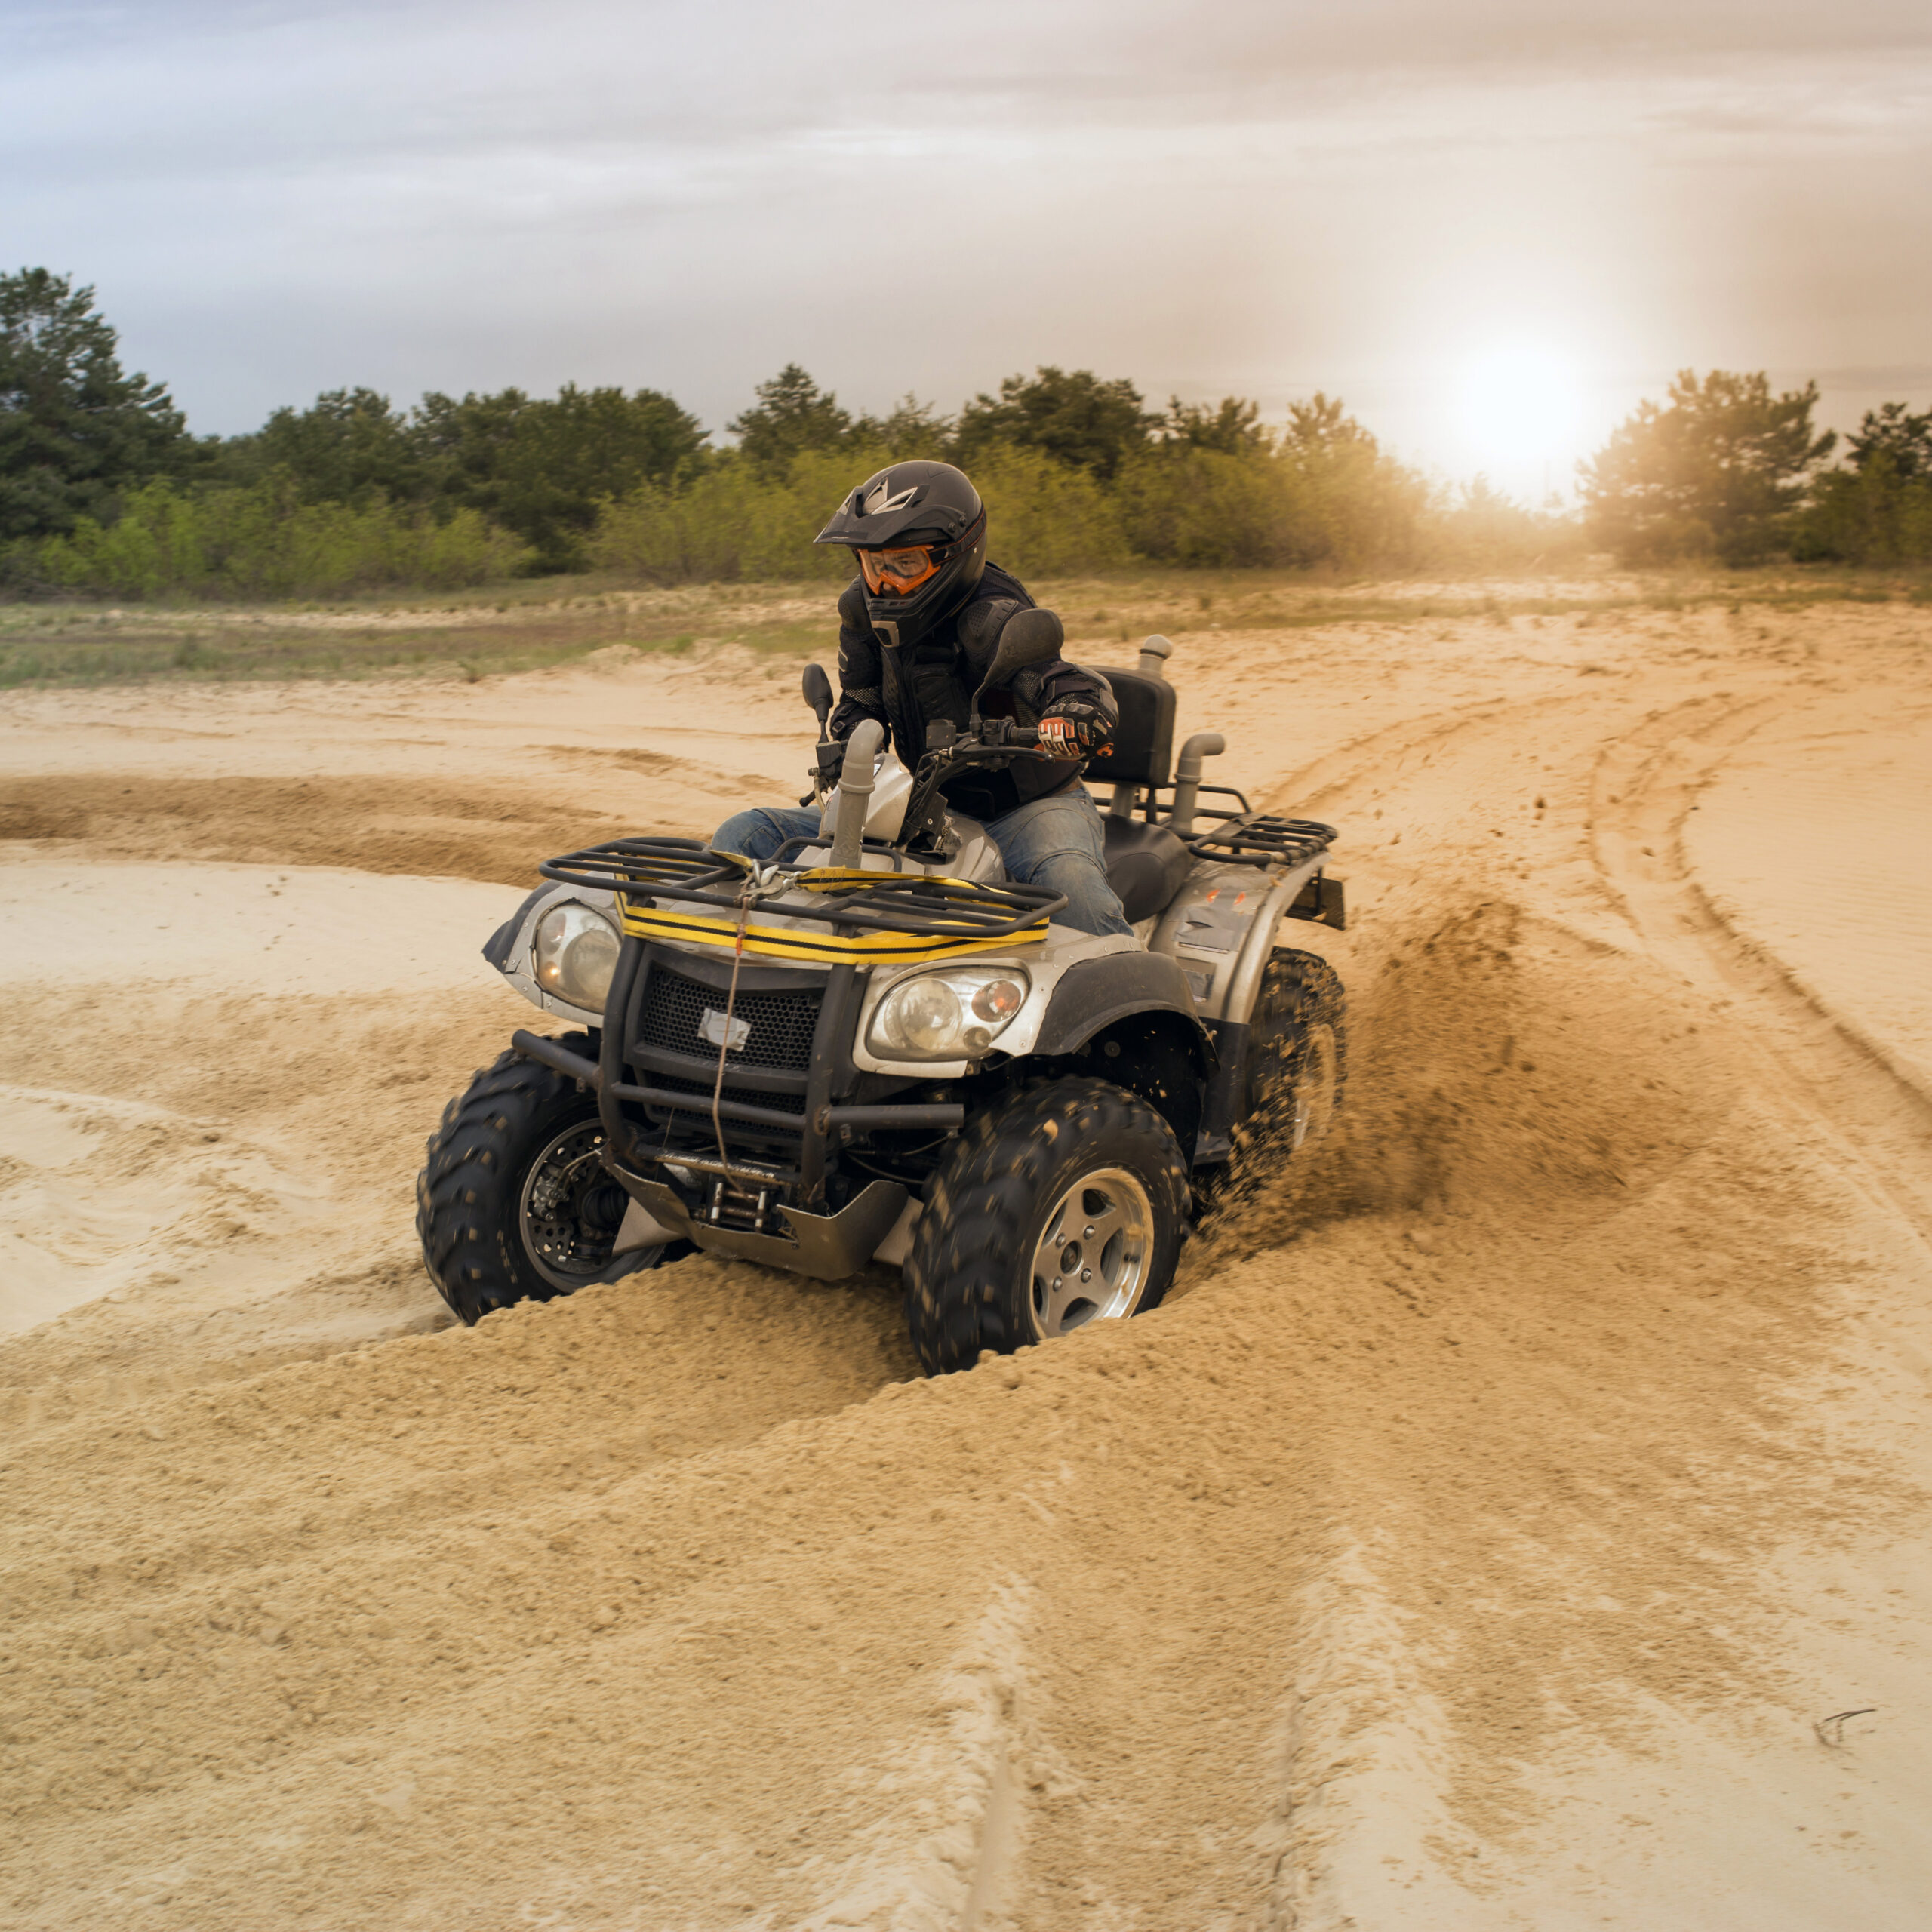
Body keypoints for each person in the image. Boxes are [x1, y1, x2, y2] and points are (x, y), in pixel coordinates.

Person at [713, 460, 1131, 937]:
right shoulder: (864, 610)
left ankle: (1136, 998)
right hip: (925, 803)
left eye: (904, 563)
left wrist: (1074, 714)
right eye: (873, 564)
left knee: (1075, 895)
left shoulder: (994, 617)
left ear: (956, 554)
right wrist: (849, 738)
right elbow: (861, 701)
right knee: (745, 835)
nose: (884, 582)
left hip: (1028, 808)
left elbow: (1066, 681)